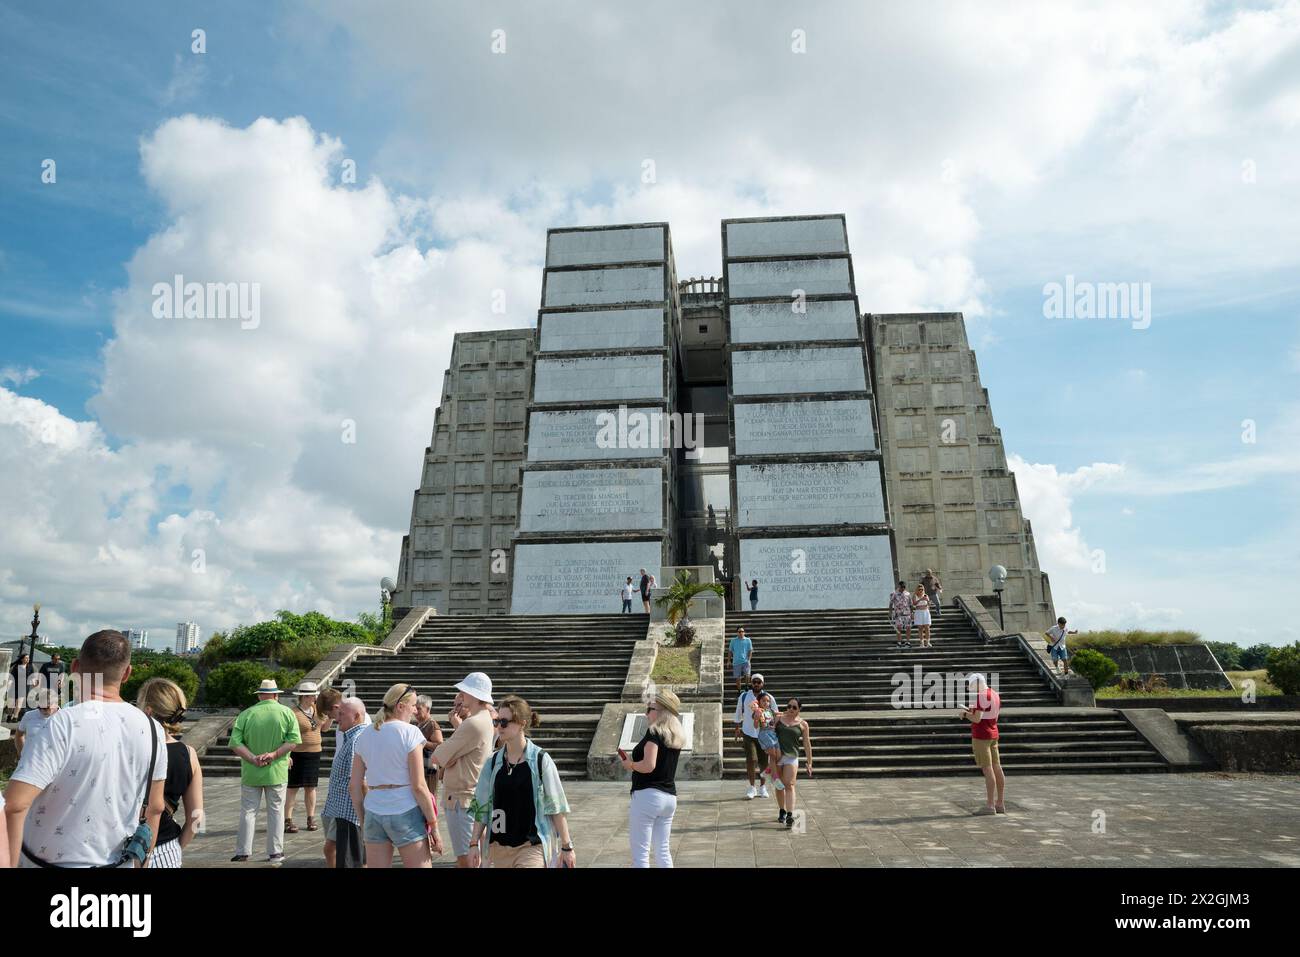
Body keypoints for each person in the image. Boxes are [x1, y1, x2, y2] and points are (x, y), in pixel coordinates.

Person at [3, 630, 167, 868]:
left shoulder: (63, 723)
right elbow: (156, 807)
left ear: (75, 667)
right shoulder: (153, 730)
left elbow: (15, 805)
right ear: (127, 674)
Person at [468, 695, 575, 868]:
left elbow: (556, 806)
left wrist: (567, 846)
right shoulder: (493, 762)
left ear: (522, 723)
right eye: (496, 722)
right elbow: (481, 807)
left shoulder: (540, 760)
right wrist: (474, 843)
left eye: (505, 722)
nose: (499, 727)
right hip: (499, 847)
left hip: (531, 846)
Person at [350, 684, 440, 868]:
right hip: (404, 808)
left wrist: (363, 819)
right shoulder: (410, 732)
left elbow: (354, 786)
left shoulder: (365, 734)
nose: (415, 710)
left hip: (374, 810)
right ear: (400, 706)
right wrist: (434, 826)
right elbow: (419, 786)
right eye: (413, 705)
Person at [228, 678, 301, 863]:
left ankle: (243, 851)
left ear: (260, 695)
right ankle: (275, 852)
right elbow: (292, 741)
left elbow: (236, 743)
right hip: (276, 770)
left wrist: (253, 758)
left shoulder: (246, 714)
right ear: (276, 695)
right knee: (276, 811)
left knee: (248, 811)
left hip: (251, 771)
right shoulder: (286, 713)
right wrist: (274, 754)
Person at [137, 677, 203, 868]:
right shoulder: (188, 754)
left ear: (147, 710)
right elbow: (197, 817)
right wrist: (176, 847)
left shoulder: (128, 749)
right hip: (166, 848)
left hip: (126, 848)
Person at [432, 672, 495, 867]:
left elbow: (438, 756)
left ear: (474, 695)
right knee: (476, 857)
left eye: (464, 691)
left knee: (466, 860)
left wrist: (449, 758)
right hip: (472, 796)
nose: (461, 695)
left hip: (462, 799)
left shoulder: (473, 723)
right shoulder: (484, 719)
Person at [621, 689, 684, 868]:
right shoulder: (675, 735)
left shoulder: (654, 733)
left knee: (641, 855)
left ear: (662, 712)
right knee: (663, 850)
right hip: (669, 798)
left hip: (648, 796)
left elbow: (649, 766)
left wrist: (631, 765)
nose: (646, 713)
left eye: (650, 709)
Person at [322, 696, 367, 869]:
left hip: (351, 814)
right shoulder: (352, 737)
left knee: (351, 862)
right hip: (345, 812)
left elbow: (359, 782)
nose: (336, 718)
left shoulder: (357, 739)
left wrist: (363, 817)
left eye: (341, 714)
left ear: (356, 717)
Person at [285, 681, 330, 834]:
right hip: (296, 753)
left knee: (311, 787)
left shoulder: (318, 710)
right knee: (293, 787)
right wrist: (286, 755)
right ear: (304, 696)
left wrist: (330, 717)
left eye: (315, 695)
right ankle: (288, 819)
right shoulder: (293, 713)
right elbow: (286, 735)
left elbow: (324, 729)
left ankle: (311, 817)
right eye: (312, 695)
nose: (315, 698)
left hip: (314, 752)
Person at [961, 673, 1005, 815]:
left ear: (978, 682)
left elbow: (977, 719)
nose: (970, 688)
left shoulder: (981, 696)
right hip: (993, 733)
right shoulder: (994, 694)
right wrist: (972, 710)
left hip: (981, 736)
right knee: (997, 767)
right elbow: (989, 714)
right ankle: (1000, 803)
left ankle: (990, 805)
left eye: (971, 684)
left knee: (987, 769)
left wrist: (964, 714)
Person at [734, 674, 777, 799]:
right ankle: (752, 787)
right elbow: (738, 711)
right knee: (751, 760)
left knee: (764, 762)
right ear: (751, 683)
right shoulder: (744, 696)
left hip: (764, 734)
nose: (756, 684)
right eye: (754, 682)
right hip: (748, 732)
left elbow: (775, 713)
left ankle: (763, 787)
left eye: (759, 682)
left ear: (763, 684)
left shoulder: (769, 698)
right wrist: (737, 728)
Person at [773, 699, 813, 828]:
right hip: (776, 756)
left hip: (791, 756)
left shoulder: (803, 724)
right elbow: (768, 732)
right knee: (779, 785)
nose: (791, 709)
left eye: (794, 707)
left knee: (789, 784)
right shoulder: (778, 719)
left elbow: (806, 743)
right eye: (789, 706)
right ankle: (782, 810)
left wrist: (809, 762)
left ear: (799, 709)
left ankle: (790, 815)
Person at [413, 695, 444, 803]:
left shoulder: (432, 724)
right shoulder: (420, 724)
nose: (415, 711)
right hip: (421, 767)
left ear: (428, 709)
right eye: (414, 708)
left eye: (419, 708)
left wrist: (423, 743)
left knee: (429, 797)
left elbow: (440, 745)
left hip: (430, 769)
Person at [14, 686, 58, 757]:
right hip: (31, 762)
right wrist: (22, 755)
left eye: (46, 707)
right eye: (39, 707)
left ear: (56, 703)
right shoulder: (29, 716)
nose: (42, 710)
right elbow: (19, 734)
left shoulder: (64, 717)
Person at [727, 626, 754, 692]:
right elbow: (730, 651)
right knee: (738, 678)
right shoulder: (733, 641)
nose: (741, 633)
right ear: (737, 633)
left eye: (742, 631)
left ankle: (746, 686)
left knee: (747, 675)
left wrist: (749, 660)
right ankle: (739, 690)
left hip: (745, 661)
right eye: (739, 632)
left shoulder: (748, 640)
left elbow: (750, 650)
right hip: (736, 662)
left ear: (744, 632)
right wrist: (728, 661)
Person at [6, 653, 31, 721]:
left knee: (19, 703)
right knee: (11, 704)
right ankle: (9, 715)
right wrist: (8, 685)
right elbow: (11, 677)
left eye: (28, 658)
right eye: (26, 658)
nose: (28, 659)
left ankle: (15, 717)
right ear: (22, 659)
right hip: (14, 687)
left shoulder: (30, 667)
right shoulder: (16, 667)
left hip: (23, 688)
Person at [890, 581, 914, 649]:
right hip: (898, 614)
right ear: (899, 586)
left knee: (908, 627)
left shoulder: (908, 594)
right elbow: (891, 603)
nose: (903, 588)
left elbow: (911, 604)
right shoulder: (894, 593)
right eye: (902, 587)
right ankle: (899, 642)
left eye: (904, 587)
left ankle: (908, 642)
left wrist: (912, 613)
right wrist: (890, 612)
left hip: (907, 613)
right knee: (899, 628)